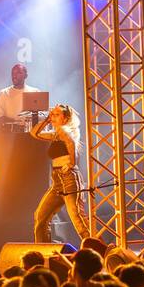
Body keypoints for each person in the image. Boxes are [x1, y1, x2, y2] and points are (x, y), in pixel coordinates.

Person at [29, 102, 90, 243]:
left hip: (68, 179)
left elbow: (71, 144)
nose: (53, 116)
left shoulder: (64, 130)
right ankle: (43, 250)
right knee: (41, 216)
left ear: (65, 118)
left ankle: (99, 250)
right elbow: (34, 133)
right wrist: (46, 120)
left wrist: (71, 163)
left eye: (57, 114)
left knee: (77, 219)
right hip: (57, 181)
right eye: (52, 114)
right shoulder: (56, 134)